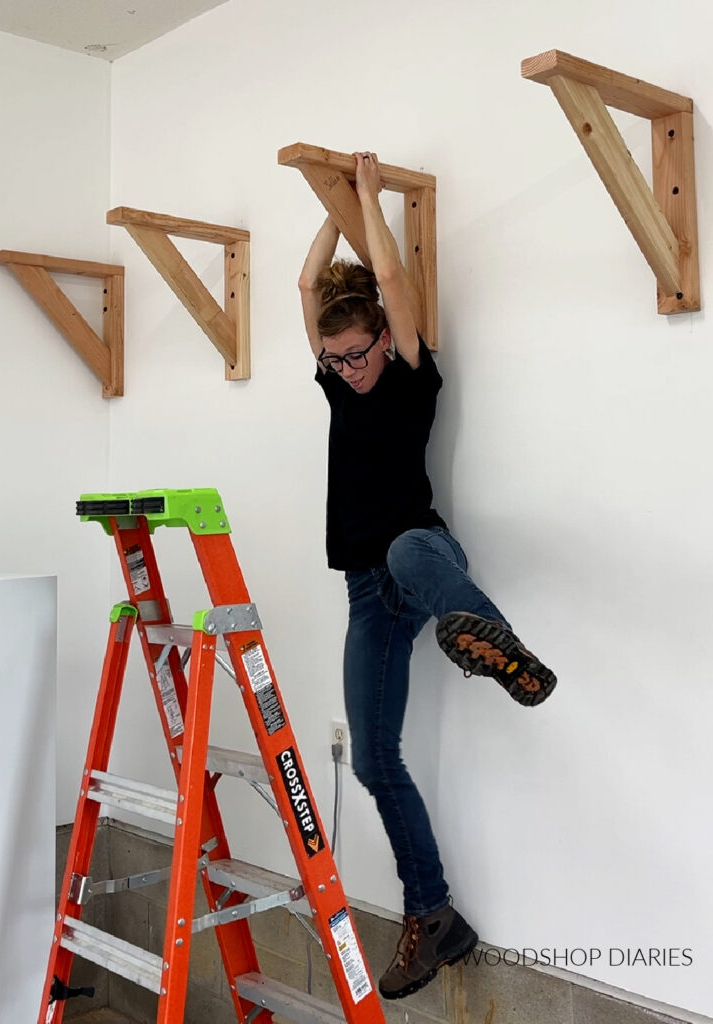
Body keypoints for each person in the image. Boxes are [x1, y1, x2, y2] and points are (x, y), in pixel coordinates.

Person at [297, 151, 557, 1001]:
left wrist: (367, 198)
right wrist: (329, 208)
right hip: (366, 593)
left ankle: (494, 639)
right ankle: (434, 915)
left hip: (423, 562)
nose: (348, 367)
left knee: (409, 548)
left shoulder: (412, 380)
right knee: (373, 757)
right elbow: (308, 285)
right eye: (334, 359)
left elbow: (397, 286)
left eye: (358, 350)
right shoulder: (339, 390)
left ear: (382, 337)